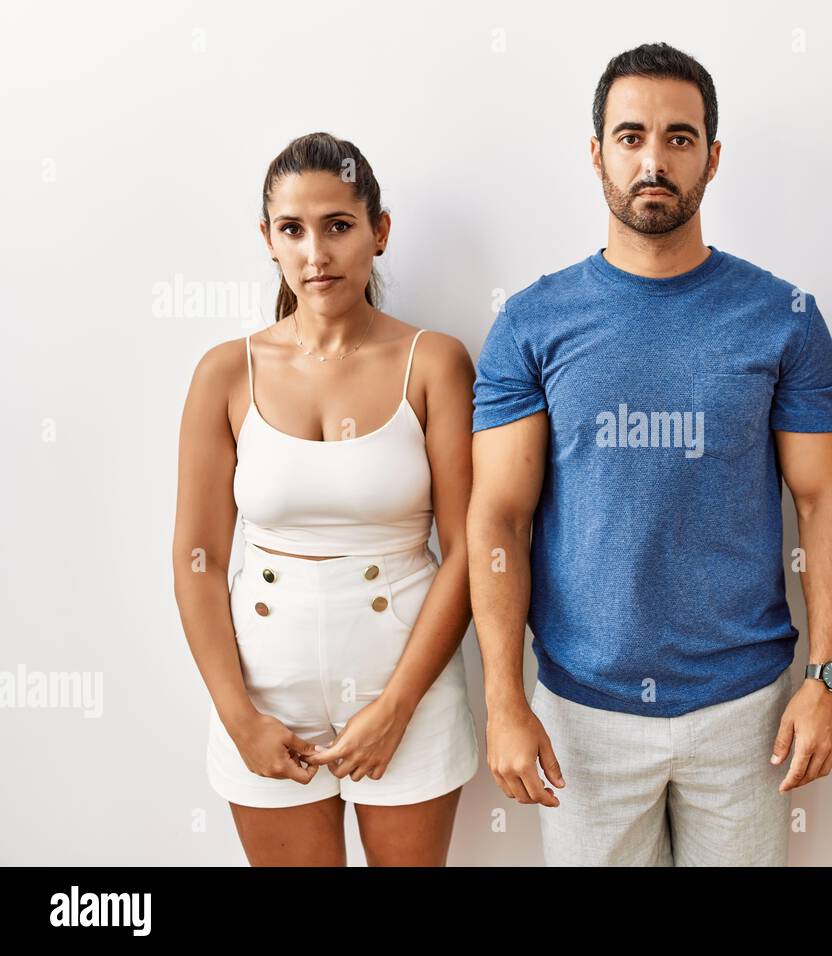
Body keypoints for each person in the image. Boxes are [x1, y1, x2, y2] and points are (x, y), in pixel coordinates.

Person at [467, 42, 832, 866]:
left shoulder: (782, 317)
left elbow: (824, 501)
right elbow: (498, 516)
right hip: (582, 713)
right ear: (597, 152)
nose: (654, 159)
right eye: (631, 135)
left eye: (680, 139)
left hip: (745, 706)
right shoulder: (533, 323)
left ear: (712, 158)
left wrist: (827, 678)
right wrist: (504, 699)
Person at [172, 132, 478, 865]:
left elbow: (473, 549)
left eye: (339, 225)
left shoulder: (434, 361)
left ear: (379, 231)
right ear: (268, 240)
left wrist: (396, 708)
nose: (317, 253)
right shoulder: (225, 372)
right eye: (293, 229)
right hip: (263, 692)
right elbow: (198, 560)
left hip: (408, 685)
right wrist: (237, 717)